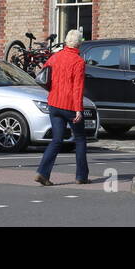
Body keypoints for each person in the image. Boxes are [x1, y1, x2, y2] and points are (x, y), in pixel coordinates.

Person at [33, 29, 90, 186]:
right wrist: (78, 109)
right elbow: (78, 88)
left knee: (56, 140)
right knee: (79, 139)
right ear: (79, 44)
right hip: (70, 106)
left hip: (54, 103)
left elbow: (44, 75)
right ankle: (81, 176)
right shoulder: (78, 62)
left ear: (66, 41)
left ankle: (42, 172)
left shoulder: (55, 57)